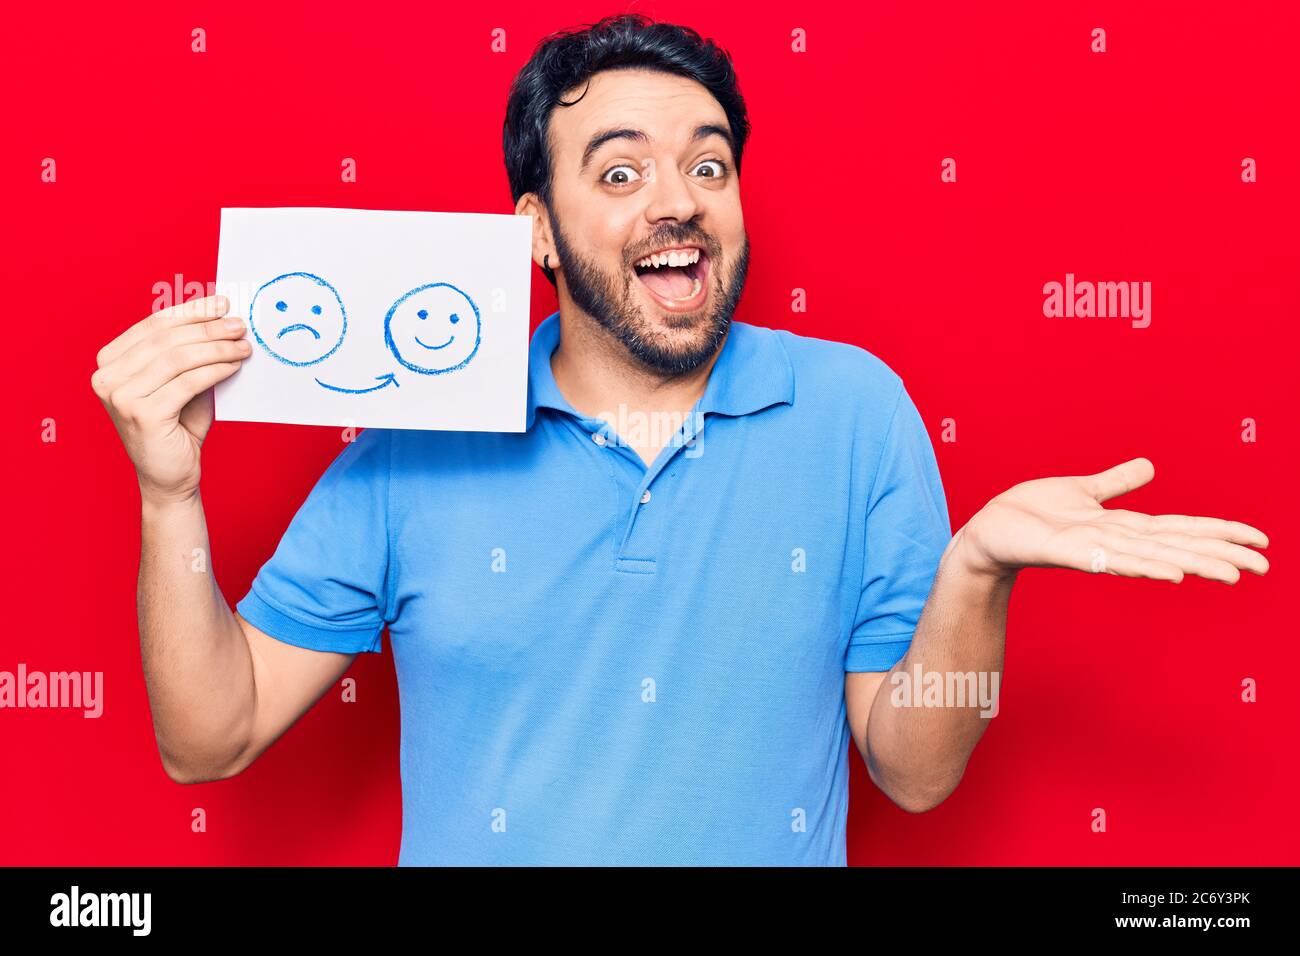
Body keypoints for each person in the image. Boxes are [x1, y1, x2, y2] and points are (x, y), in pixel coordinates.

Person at [91, 14, 1270, 866]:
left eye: (709, 163)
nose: (680, 198)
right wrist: (168, 496)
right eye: (621, 171)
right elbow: (212, 736)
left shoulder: (856, 412)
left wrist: (976, 572)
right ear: (538, 234)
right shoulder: (417, 442)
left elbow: (914, 772)